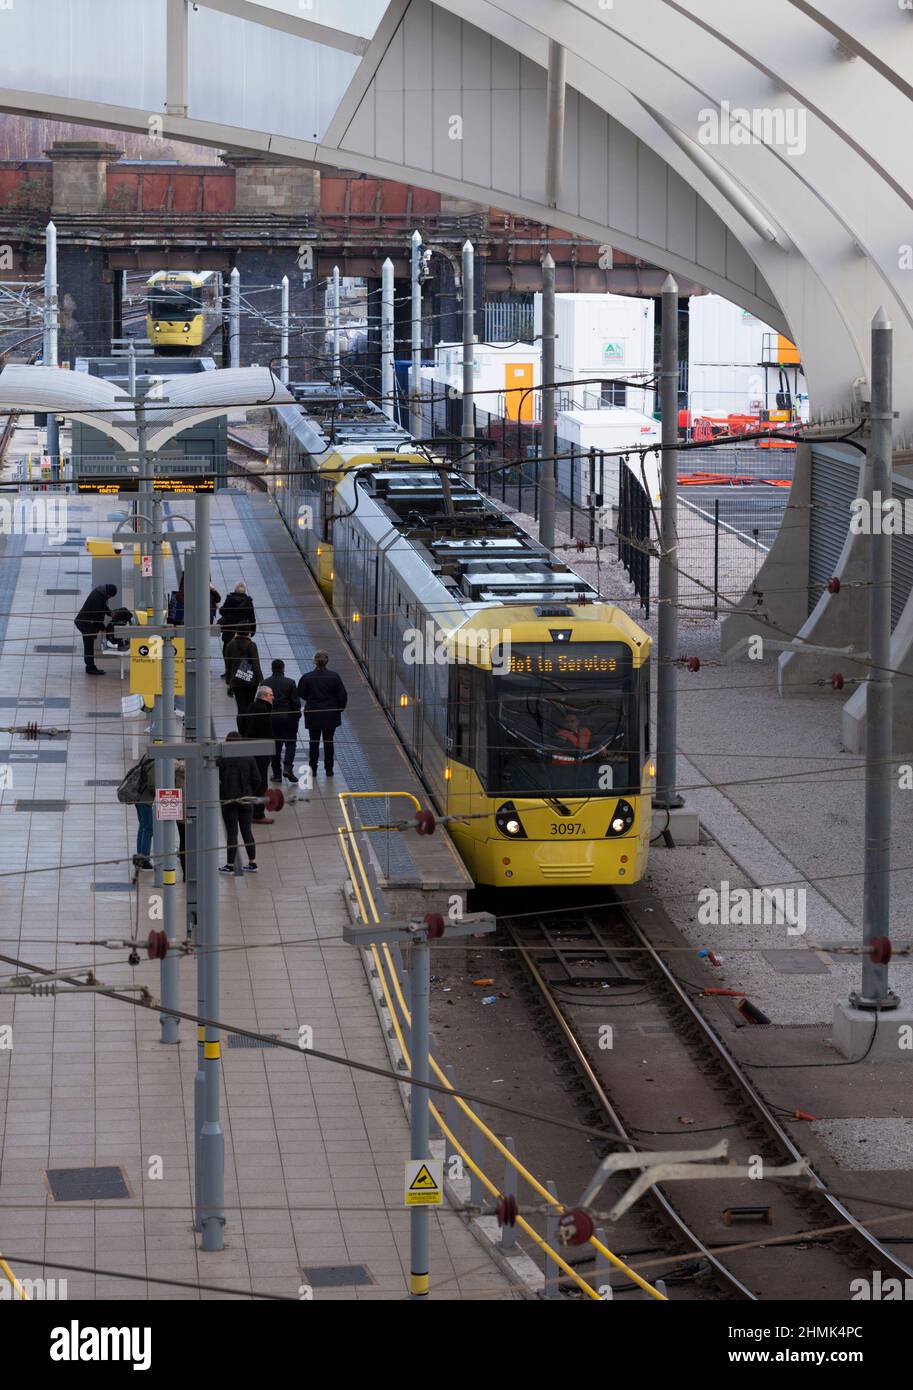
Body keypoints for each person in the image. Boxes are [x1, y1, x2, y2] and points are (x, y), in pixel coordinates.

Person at [297, 650, 348, 778]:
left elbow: (302, 693)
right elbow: (342, 695)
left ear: (315, 661)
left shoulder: (307, 677)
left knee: (313, 741)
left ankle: (313, 768)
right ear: (327, 661)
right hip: (330, 714)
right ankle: (329, 769)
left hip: (313, 713)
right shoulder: (334, 676)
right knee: (328, 741)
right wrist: (339, 709)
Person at [217, 731, 260, 873]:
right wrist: (249, 791)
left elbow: (215, 776)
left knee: (232, 833)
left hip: (228, 800)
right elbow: (257, 779)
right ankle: (252, 862)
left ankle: (230, 865)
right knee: (247, 830)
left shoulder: (223, 758)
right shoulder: (249, 758)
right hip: (246, 799)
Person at [237, 685, 276, 824]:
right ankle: (257, 814)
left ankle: (251, 812)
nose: (273, 697)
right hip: (260, 752)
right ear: (264, 696)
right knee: (261, 783)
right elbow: (255, 730)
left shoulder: (252, 706)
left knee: (254, 781)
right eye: (271, 694)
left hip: (254, 751)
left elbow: (242, 723)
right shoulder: (262, 710)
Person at [264, 659, 301, 783]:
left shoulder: (265, 683)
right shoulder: (290, 682)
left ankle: (277, 774)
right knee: (290, 744)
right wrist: (297, 717)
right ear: (283, 668)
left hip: (271, 719)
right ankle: (287, 767)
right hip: (288, 718)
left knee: (275, 746)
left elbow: (262, 703)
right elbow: (296, 703)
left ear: (272, 669)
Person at [74, 582, 117, 675]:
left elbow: (103, 607)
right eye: (110, 597)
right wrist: (104, 628)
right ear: (108, 594)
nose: (109, 598)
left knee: (89, 644)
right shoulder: (97, 597)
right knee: (88, 645)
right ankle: (90, 667)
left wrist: (110, 613)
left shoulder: (101, 593)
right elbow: (97, 615)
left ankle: (90, 666)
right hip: (85, 623)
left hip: (88, 622)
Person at [218, 583, 256, 680]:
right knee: (243, 652)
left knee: (226, 651)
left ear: (235, 590)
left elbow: (222, 611)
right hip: (243, 631)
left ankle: (228, 671)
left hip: (229, 630)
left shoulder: (230, 599)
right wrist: (252, 630)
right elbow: (252, 617)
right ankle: (240, 672)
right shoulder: (248, 601)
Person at [225, 630, 263, 712]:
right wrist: (261, 681)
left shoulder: (230, 645)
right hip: (251, 682)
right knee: (250, 705)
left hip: (236, 681)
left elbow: (228, 665)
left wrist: (228, 682)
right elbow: (256, 665)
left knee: (241, 707)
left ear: (236, 633)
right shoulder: (252, 645)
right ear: (249, 633)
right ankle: (249, 723)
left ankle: (241, 723)